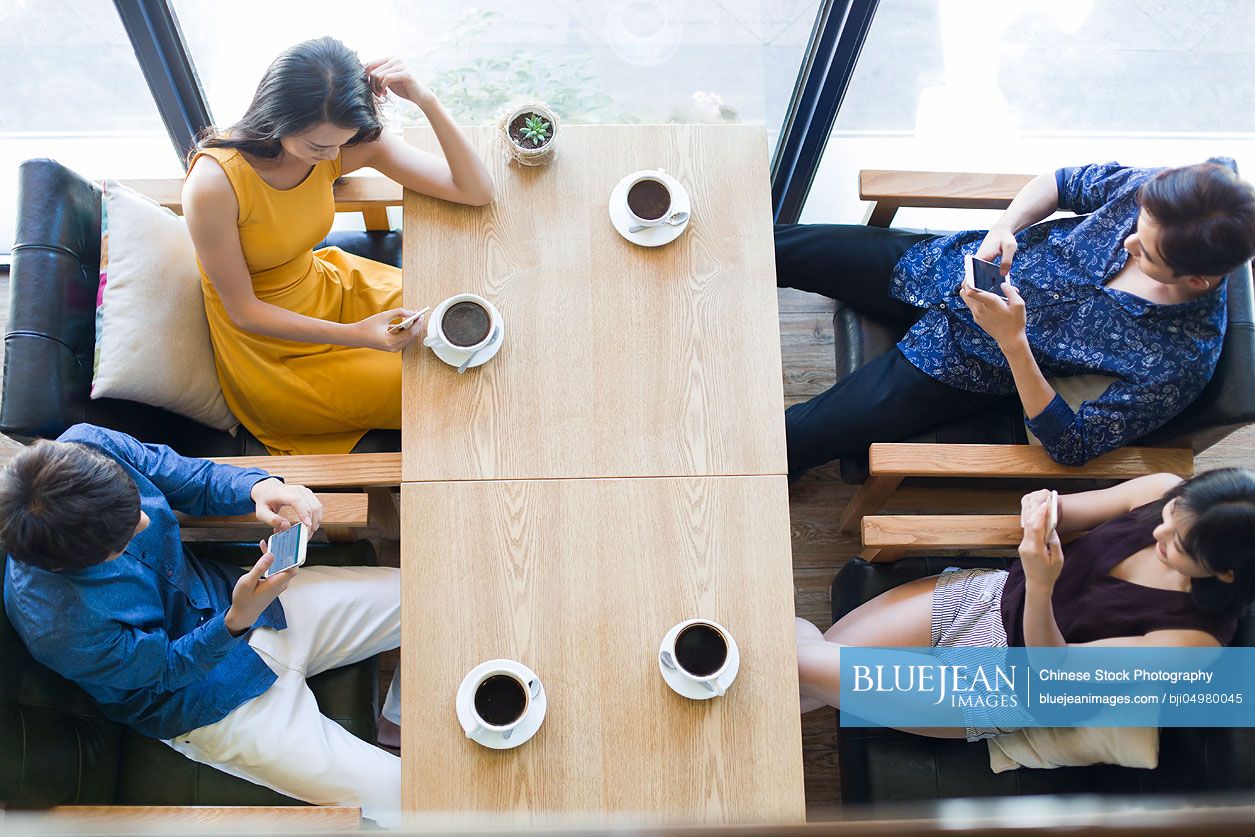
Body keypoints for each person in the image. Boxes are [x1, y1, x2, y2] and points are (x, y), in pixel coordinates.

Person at [0, 425, 404, 828]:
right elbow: (165, 672)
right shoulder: (56, 625)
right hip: (208, 703)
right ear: (61, 566)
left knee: (423, 590)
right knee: (408, 793)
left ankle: (396, 720)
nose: (144, 522)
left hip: (247, 599)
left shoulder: (87, 445)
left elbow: (188, 476)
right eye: (122, 543)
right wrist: (234, 621)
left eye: (134, 505)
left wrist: (258, 488)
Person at [776, 162, 1255, 479]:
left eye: (1144, 251)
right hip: (939, 265)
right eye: (1136, 227)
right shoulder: (1162, 197)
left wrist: (1013, 342)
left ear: (1196, 279)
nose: (1128, 241)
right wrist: (1005, 224)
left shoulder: (1179, 360)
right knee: (777, 247)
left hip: (958, 365)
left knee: (793, 440)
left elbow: (1072, 445)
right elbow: (1062, 182)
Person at [183, 37, 495, 456]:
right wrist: (357, 336)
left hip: (328, 285)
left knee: (465, 321)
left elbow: (475, 191)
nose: (332, 155)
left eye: (340, 142)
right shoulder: (213, 185)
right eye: (318, 146)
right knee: (441, 378)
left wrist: (427, 100)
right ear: (278, 117)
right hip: (273, 352)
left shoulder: (336, 142)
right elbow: (245, 312)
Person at [795, 468, 1255, 739]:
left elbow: (1054, 672)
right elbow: (1072, 509)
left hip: (1005, 687)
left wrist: (1040, 585)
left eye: (1178, 544)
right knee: (804, 683)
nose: (1158, 532)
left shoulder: (1194, 643)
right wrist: (1043, 510)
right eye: (1171, 514)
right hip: (986, 600)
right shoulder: (1164, 490)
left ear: (1225, 572)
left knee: (797, 663)